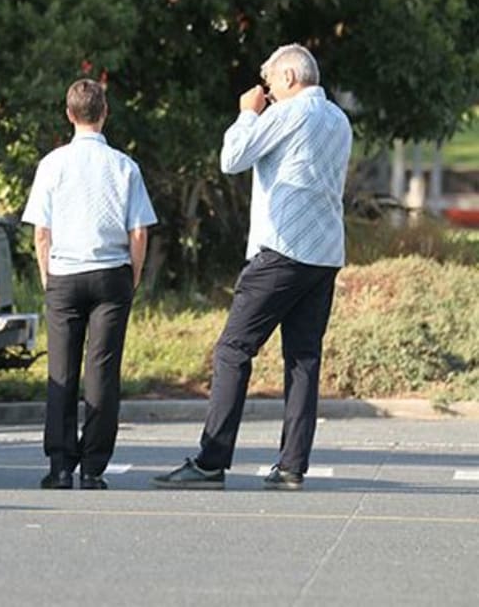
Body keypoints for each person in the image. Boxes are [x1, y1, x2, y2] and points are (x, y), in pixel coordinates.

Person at [152, 44, 352, 491]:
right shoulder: (338, 119)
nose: (268, 91)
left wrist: (247, 113)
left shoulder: (288, 112)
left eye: (270, 82)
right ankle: (291, 466)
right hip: (324, 253)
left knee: (232, 350)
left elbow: (232, 159)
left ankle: (211, 461)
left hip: (281, 250)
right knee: (303, 359)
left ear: (289, 77)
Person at [22, 78, 157, 490]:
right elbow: (139, 231)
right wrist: (132, 275)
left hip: (64, 272)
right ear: (105, 113)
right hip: (111, 272)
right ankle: (94, 466)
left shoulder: (52, 164)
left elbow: (41, 232)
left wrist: (47, 275)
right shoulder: (124, 166)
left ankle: (60, 465)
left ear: (69, 114)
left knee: (61, 370)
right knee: (103, 372)